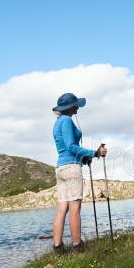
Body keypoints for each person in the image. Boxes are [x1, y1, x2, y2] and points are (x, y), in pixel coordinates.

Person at [51, 92, 107, 253]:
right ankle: (77, 246)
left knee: (62, 208)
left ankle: (58, 247)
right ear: (70, 107)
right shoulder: (67, 121)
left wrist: (82, 158)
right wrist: (93, 153)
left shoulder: (57, 122)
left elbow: (65, 148)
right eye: (75, 105)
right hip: (71, 168)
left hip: (60, 168)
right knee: (75, 208)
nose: (78, 107)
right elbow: (70, 146)